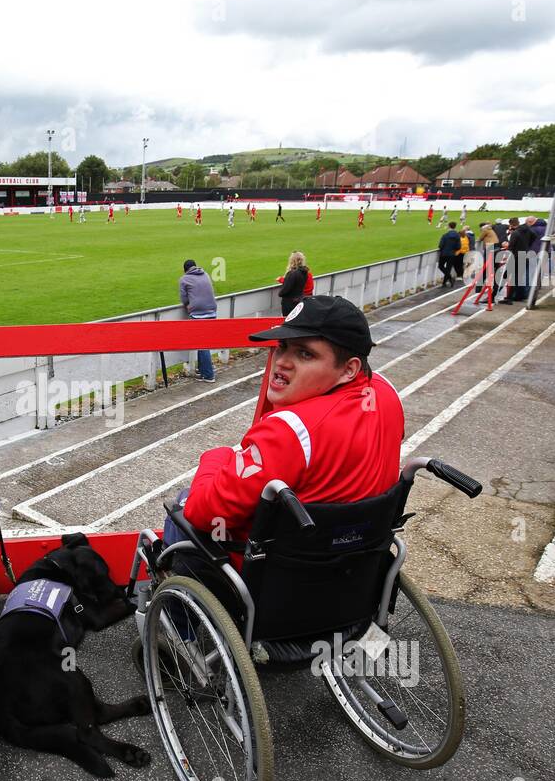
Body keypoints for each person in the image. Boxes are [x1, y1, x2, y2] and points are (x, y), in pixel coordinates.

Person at [168, 296, 403, 618]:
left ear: (349, 369)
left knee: (181, 507)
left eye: (305, 353)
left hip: (277, 583)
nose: (282, 362)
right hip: (352, 573)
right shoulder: (386, 394)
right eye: (282, 348)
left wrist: (215, 458)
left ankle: (178, 632)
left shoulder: (288, 431)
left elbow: (204, 514)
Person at [178, 260, 217, 382]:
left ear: (185, 270)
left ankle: (209, 375)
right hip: (212, 311)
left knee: (202, 344)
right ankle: (203, 370)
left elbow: (184, 299)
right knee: (204, 343)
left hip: (198, 314)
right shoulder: (205, 274)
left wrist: (189, 306)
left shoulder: (184, 279)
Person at [437, 221, 462, 288]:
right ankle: (445, 282)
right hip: (452, 254)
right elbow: (459, 246)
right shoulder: (457, 236)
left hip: (444, 253)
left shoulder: (445, 235)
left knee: (441, 266)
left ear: (449, 226)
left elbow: (440, 245)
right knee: (448, 268)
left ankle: (449, 278)